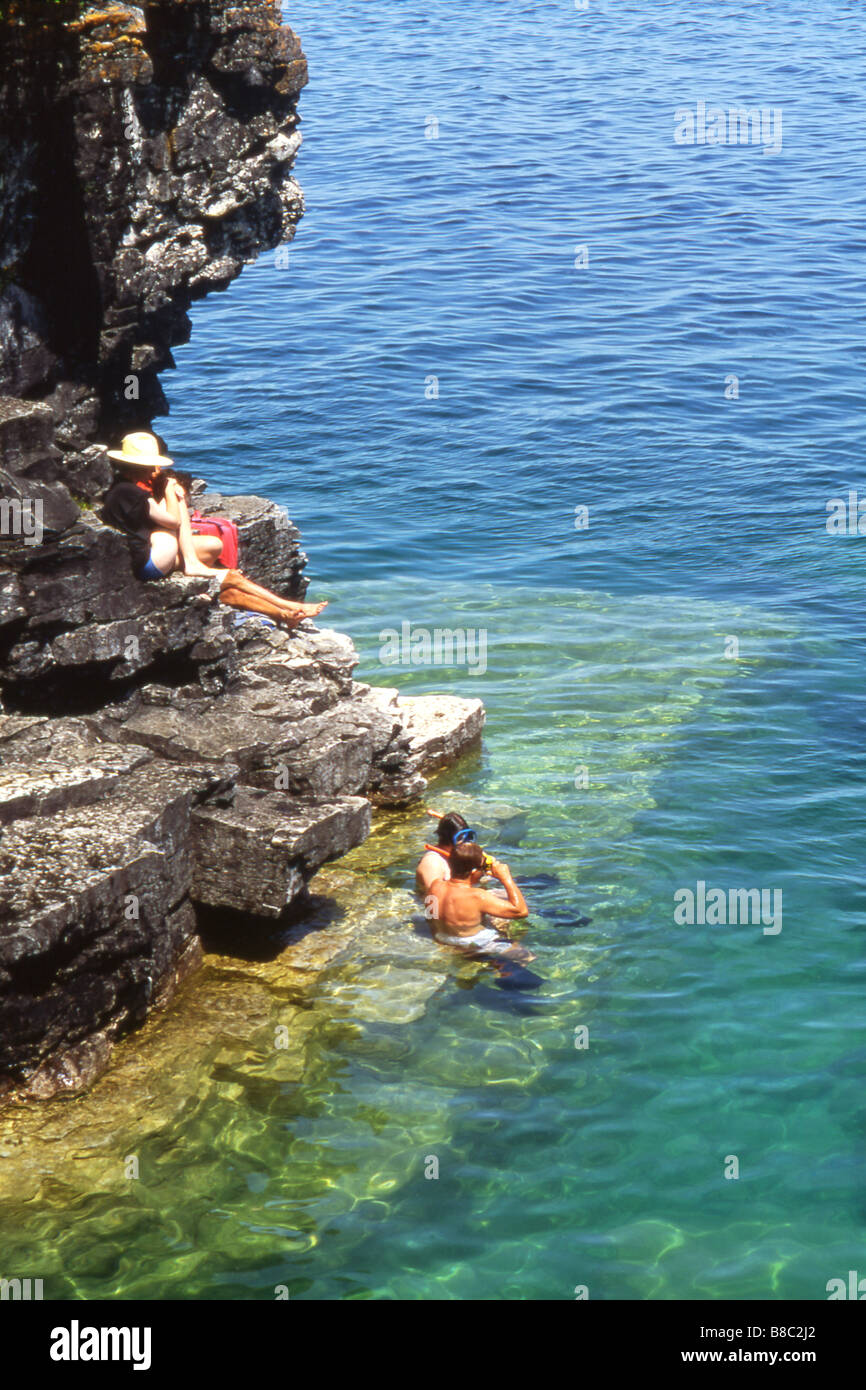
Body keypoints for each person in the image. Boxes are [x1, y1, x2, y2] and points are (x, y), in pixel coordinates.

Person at [101, 432, 327, 627]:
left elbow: (151, 518)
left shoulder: (125, 490)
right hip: (150, 560)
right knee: (230, 578)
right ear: (137, 466)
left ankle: (283, 614)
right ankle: (287, 605)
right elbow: (172, 522)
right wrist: (170, 491)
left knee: (215, 550)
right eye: (151, 466)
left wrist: (169, 490)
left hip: (153, 553)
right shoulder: (129, 492)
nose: (154, 471)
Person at [426, 840, 535, 962]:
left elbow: (430, 917)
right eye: (482, 869)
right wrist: (506, 878)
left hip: (442, 937)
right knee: (527, 956)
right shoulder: (478, 896)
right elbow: (521, 911)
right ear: (473, 871)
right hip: (473, 942)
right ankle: (494, 966)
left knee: (496, 919)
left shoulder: (435, 886)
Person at [414, 808, 471, 894]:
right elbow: (435, 897)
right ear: (448, 839)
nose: (466, 844)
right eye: (461, 839)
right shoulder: (432, 862)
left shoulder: (455, 855)